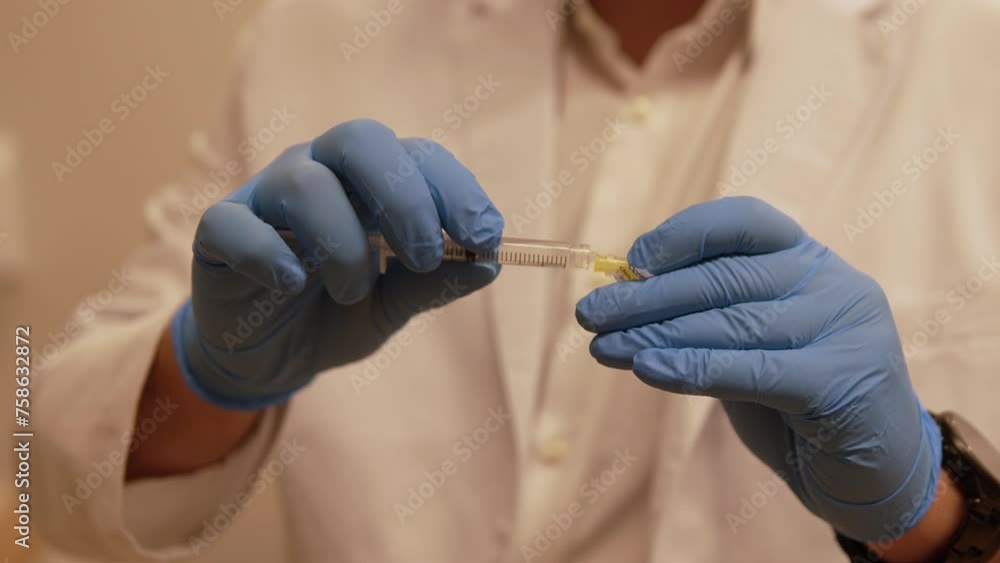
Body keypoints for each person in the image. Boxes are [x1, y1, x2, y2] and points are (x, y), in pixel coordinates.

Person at [35, 0, 1000, 561]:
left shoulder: (971, 56)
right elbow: (41, 478)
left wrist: (929, 511)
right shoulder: (327, 31)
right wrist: (208, 374)